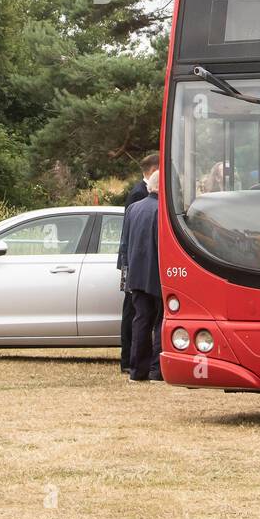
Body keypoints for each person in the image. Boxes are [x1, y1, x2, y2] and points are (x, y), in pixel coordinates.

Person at [118, 164, 163, 382]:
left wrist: (126, 274)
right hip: (157, 274)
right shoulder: (162, 211)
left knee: (140, 320)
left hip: (135, 274)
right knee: (160, 321)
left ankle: (137, 370)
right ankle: (157, 370)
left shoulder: (133, 209)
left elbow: (124, 244)